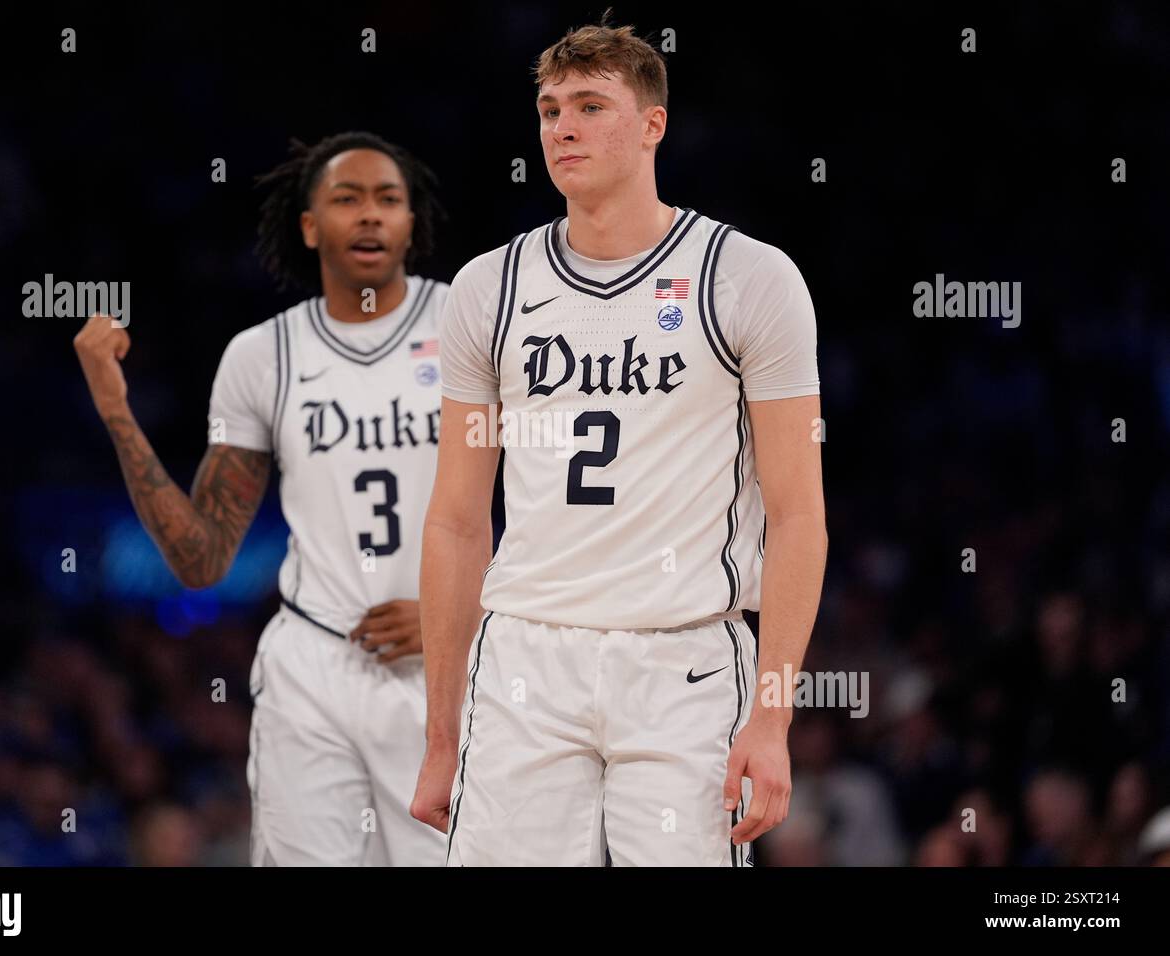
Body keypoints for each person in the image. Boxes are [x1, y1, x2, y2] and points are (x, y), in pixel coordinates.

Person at [411, 17, 827, 866]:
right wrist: (441, 732)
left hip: (684, 659)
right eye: (550, 108)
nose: (562, 127)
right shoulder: (488, 288)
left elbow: (797, 516)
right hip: (527, 649)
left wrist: (773, 718)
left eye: (591, 105)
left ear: (652, 124)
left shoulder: (747, 278)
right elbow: (456, 522)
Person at [74, 132, 449, 865]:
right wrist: (117, 413)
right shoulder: (260, 355)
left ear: (412, 222)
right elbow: (203, 558)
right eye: (347, 199)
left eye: (388, 200)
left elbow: (549, 500)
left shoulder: (469, 323)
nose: (369, 217)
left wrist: (462, 610)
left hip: (443, 661)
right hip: (312, 661)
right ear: (310, 226)